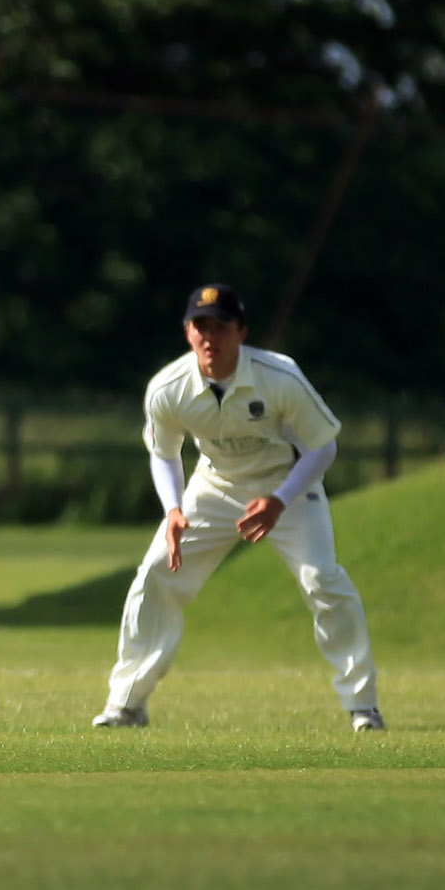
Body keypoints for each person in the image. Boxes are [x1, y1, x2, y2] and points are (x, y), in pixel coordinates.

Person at [92, 284, 382, 731]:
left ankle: (363, 705)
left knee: (323, 579)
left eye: (221, 327)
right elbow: (165, 453)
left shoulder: (279, 376)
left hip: (288, 486)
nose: (211, 337)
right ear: (188, 332)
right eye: (200, 327)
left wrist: (279, 500)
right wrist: (172, 510)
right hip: (213, 487)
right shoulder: (168, 388)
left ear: (241, 331)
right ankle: (127, 703)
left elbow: (323, 447)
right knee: (156, 574)